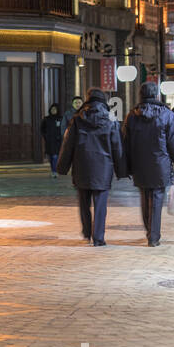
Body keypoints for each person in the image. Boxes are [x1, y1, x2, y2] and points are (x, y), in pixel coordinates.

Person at [58, 88, 127, 246]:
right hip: (103, 166)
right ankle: (98, 237)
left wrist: (62, 166)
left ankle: (87, 232)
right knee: (100, 203)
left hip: (82, 165)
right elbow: (117, 146)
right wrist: (121, 170)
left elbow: (68, 144)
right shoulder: (110, 118)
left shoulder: (77, 118)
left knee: (83, 201)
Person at [123, 81, 174, 247]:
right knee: (157, 197)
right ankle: (153, 236)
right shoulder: (167, 115)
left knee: (144, 196)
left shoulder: (132, 115)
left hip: (139, 163)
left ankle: (149, 231)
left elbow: (125, 142)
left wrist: (126, 165)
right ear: (156, 94)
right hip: (160, 163)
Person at [40, 104, 65, 176]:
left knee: (55, 156)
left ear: (58, 110)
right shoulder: (46, 119)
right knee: (51, 156)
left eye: (55, 109)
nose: (53, 111)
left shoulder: (61, 118)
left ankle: (55, 171)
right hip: (49, 141)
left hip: (58, 140)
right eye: (52, 109)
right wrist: (46, 136)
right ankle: (53, 170)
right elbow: (42, 129)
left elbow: (64, 128)